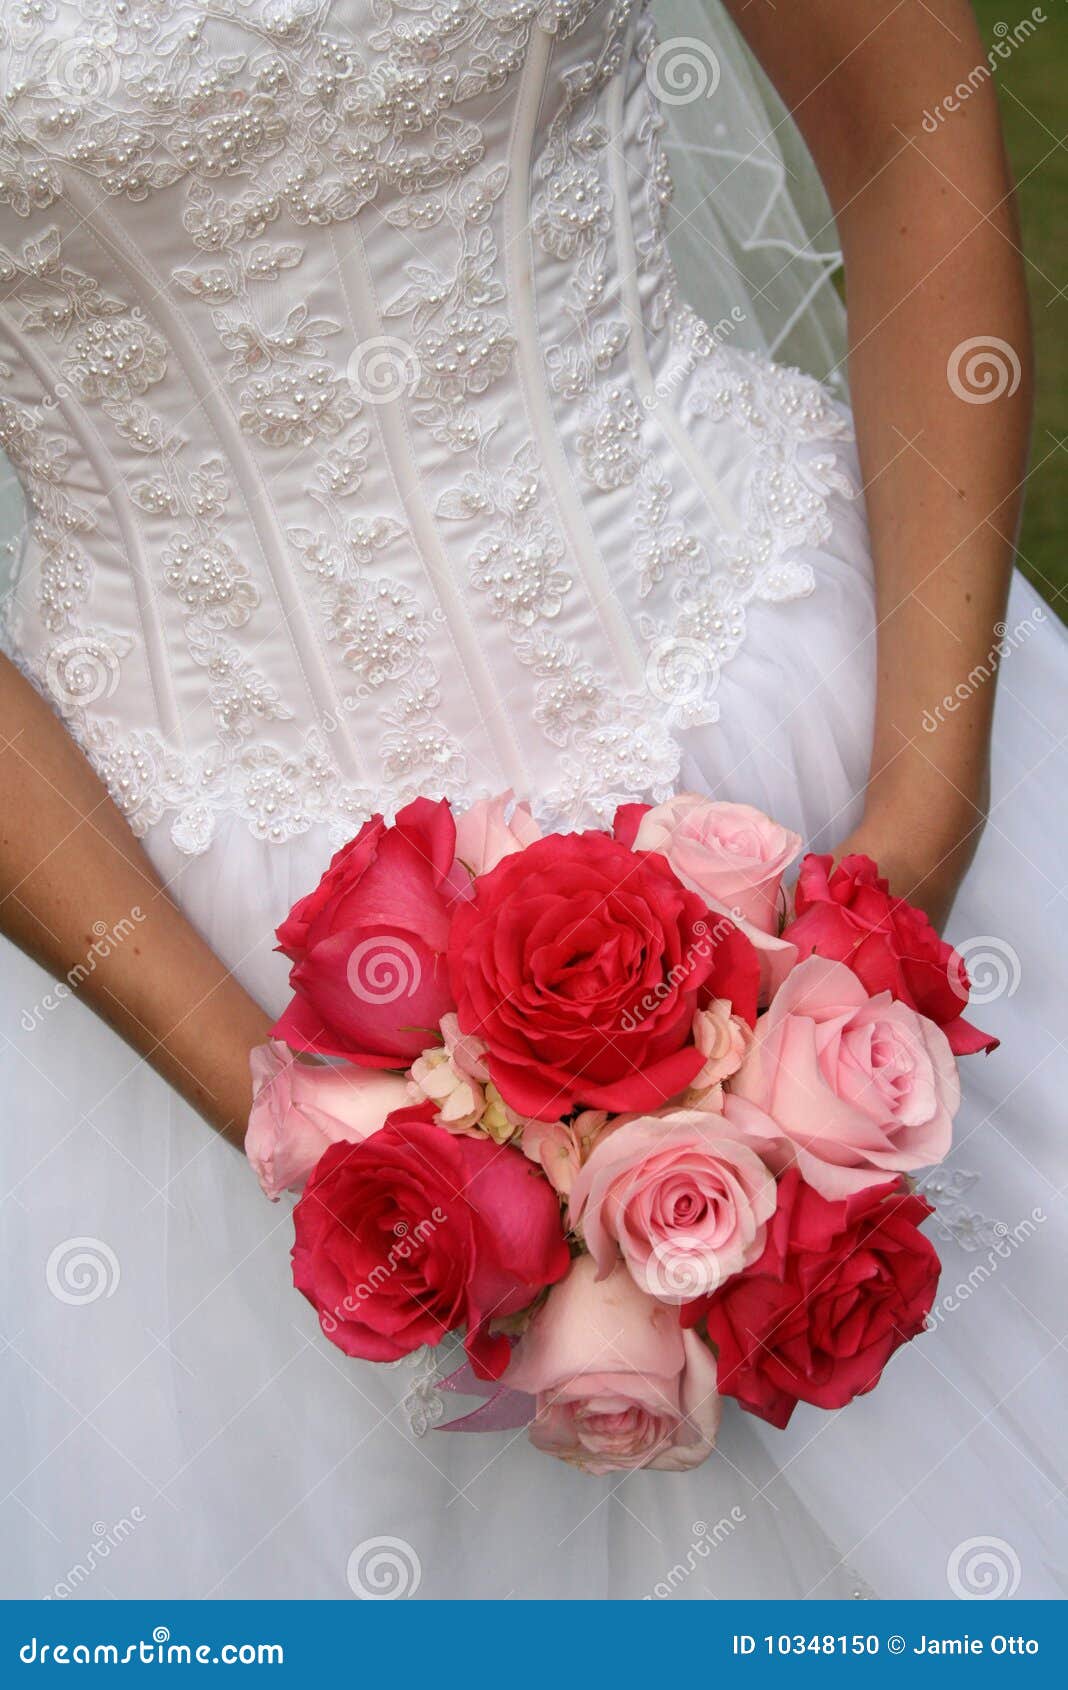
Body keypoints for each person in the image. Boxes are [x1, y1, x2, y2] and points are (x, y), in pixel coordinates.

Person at [0, 0, 1063, 1599]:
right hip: (183, 930)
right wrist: (313, 1123)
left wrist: (913, 839)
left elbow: (903, 130)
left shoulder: (884, 821)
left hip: (795, 748)